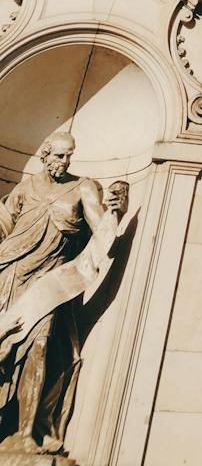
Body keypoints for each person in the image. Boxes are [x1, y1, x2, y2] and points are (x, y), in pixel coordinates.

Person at [0, 133, 111, 454]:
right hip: (10, 273)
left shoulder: (83, 188)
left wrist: (116, 210)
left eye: (69, 156)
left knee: (40, 346)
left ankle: (27, 432)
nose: (65, 162)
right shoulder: (25, 188)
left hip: (49, 283)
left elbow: (103, 230)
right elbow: (5, 228)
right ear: (45, 156)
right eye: (60, 156)